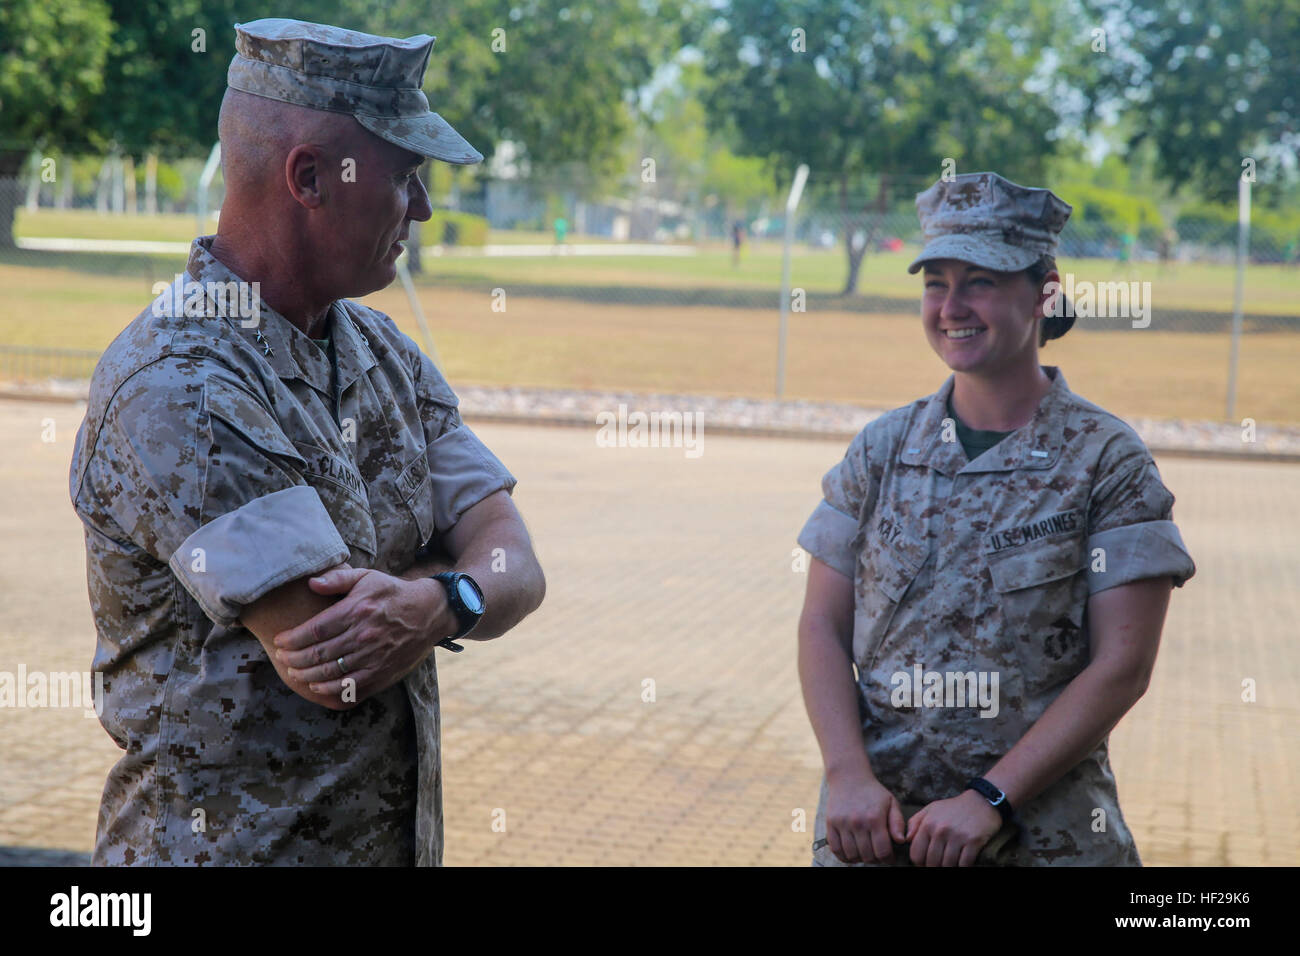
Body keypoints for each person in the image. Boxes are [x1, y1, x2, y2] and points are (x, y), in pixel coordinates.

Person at [68, 18, 545, 866]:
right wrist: (457, 579)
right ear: (311, 177)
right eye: (406, 179)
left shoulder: (380, 351)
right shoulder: (180, 383)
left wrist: (442, 604)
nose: (424, 209)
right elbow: (336, 658)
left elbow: (516, 562)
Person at [796, 171, 1195, 867]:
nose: (952, 306)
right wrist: (847, 775)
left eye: (979, 280)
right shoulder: (883, 450)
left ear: (1044, 292)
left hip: (1046, 841)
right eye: (935, 282)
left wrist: (990, 798)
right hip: (878, 835)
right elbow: (820, 626)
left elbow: (1123, 666)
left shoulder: (1108, 461)